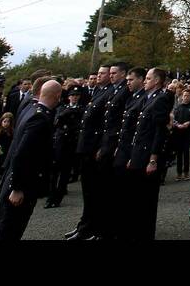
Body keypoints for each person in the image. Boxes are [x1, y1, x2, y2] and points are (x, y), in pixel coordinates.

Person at [0, 80, 62, 240]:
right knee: (10, 229)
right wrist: (17, 187)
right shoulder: (40, 119)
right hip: (23, 183)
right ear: (57, 96)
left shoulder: (31, 109)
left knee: (3, 225)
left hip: (15, 178)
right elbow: (22, 153)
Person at [66, 62, 112, 240]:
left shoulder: (109, 93)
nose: (98, 76)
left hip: (95, 147)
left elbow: (105, 124)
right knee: (88, 192)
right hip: (86, 145)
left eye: (102, 73)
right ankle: (84, 225)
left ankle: (92, 227)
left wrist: (101, 146)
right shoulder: (97, 91)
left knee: (95, 192)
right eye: (97, 74)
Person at [127, 67, 172, 239]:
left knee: (147, 201)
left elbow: (159, 131)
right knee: (138, 198)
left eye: (147, 78)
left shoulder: (160, 99)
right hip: (139, 153)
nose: (145, 81)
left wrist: (153, 159)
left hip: (148, 156)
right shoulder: (148, 98)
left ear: (157, 81)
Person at [96, 62, 132, 238]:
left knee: (113, 187)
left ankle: (112, 227)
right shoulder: (113, 90)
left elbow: (122, 120)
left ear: (123, 74)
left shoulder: (125, 91)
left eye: (114, 73)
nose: (111, 75)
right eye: (109, 73)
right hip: (107, 140)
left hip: (115, 142)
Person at [112, 66, 147, 239]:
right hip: (123, 148)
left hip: (131, 151)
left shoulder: (143, 99)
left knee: (129, 193)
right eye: (127, 80)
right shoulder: (132, 97)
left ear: (140, 79)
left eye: (131, 79)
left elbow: (138, 130)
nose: (128, 83)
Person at [45, 86, 83, 207]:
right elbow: (57, 121)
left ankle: (58, 198)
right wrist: (67, 113)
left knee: (65, 172)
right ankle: (51, 197)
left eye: (76, 96)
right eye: (72, 95)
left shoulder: (82, 109)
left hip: (72, 142)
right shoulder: (62, 108)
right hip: (60, 142)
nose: (74, 98)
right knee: (54, 172)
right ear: (69, 97)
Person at [170, 90, 190, 180]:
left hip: (187, 132)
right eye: (184, 95)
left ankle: (186, 172)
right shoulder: (177, 107)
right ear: (182, 96)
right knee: (179, 153)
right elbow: (172, 118)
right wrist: (177, 124)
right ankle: (179, 173)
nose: (186, 97)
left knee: (186, 153)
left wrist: (188, 123)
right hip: (178, 132)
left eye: (188, 96)